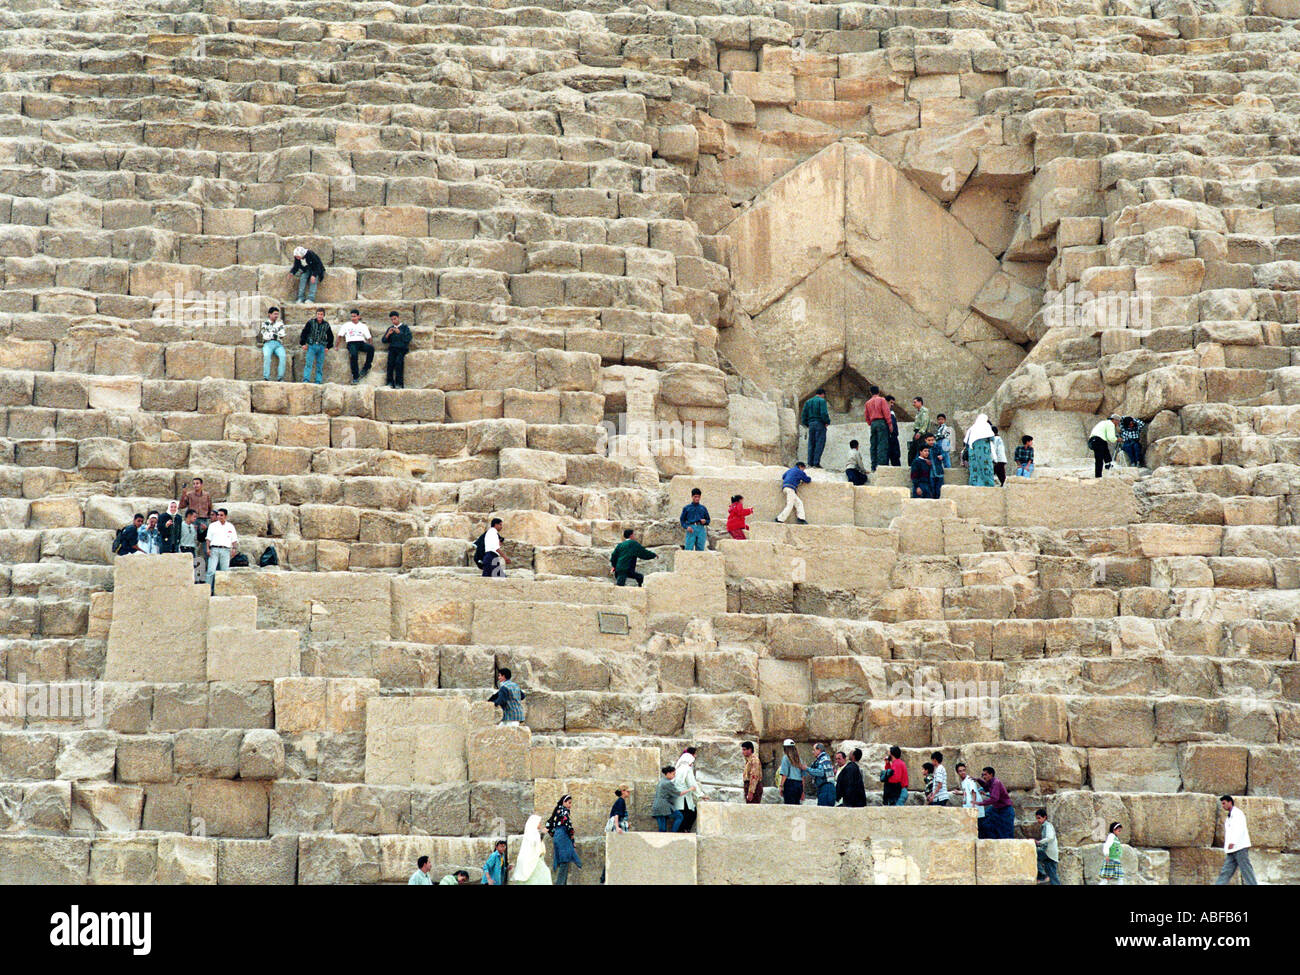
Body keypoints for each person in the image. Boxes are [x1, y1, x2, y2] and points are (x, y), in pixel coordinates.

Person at [1215, 795, 1257, 885]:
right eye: (1222, 804)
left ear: (1230, 802)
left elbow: (1240, 828)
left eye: (1224, 803)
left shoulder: (1238, 814)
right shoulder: (1229, 816)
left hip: (1239, 847)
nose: (1223, 806)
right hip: (1232, 849)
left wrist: (1233, 842)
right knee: (1226, 871)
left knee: (1246, 870)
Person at [545, 794, 582, 885]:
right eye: (569, 803)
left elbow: (548, 824)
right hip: (563, 837)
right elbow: (568, 825)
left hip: (558, 837)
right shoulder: (565, 811)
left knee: (563, 861)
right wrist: (572, 838)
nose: (570, 805)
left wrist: (553, 834)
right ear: (564, 802)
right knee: (565, 860)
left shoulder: (557, 811)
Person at [511, 816, 552, 885]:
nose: (540, 824)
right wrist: (542, 834)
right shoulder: (532, 833)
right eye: (539, 823)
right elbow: (535, 844)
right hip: (532, 860)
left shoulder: (533, 833)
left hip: (535, 860)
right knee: (544, 874)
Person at [205, 508, 238, 594]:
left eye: (221, 515)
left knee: (224, 571)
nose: (219, 517)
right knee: (211, 571)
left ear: (226, 516)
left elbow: (234, 539)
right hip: (214, 549)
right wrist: (208, 549)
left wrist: (234, 549)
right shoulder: (213, 525)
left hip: (226, 550)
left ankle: (223, 591)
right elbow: (208, 538)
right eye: (218, 515)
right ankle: (208, 591)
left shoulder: (230, 526)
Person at [977, 767, 1014, 838]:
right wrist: (978, 780)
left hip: (1005, 810)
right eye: (983, 775)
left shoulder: (995, 783)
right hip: (996, 809)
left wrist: (980, 803)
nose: (984, 777)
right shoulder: (991, 783)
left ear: (991, 774)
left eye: (985, 775)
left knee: (1005, 833)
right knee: (986, 823)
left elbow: (994, 798)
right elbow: (986, 787)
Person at [298, 308, 333, 384]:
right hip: (311, 345)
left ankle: (318, 381)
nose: (319, 316)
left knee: (319, 365)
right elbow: (304, 332)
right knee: (308, 364)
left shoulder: (326, 325)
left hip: (321, 346)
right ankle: (306, 379)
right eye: (318, 314)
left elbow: (330, 336)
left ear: (323, 315)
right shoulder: (311, 322)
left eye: (321, 314)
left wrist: (328, 347)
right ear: (316, 314)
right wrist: (303, 343)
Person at [340, 308, 374, 384]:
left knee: (371, 349)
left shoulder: (363, 326)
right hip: (351, 343)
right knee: (354, 355)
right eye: (352, 316)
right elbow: (340, 335)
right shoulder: (346, 325)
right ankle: (355, 377)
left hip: (361, 342)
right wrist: (336, 346)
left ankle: (366, 367)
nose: (353, 318)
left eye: (354, 316)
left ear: (358, 316)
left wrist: (370, 344)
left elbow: (369, 337)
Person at [863, 385, 892, 471]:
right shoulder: (882, 400)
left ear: (870, 392)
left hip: (873, 423)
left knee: (873, 445)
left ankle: (873, 466)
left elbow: (866, 416)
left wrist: (871, 423)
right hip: (881, 422)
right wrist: (889, 424)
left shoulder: (867, 403)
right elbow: (886, 412)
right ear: (878, 392)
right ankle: (881, 465)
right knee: (882, 444)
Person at [179, 476, 212, 551]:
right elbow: (181, 506)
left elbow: (210, 507)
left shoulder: (207, 495)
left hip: (204, 520)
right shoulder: (189, 495)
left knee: (205, 540)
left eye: (197, 483)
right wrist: (183, 494)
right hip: (193, 520)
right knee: (192, 539)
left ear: (201, 484)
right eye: (194, 484)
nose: (195, 485)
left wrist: (209, 518)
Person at [964, 413, 998, 487]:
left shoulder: (971, 428)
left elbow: (966, 441)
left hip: (973, 454)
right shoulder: (986, 426)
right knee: (986, 468)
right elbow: (992, 438)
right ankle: (988, 485)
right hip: (984, 453)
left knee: (975, 469)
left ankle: (975, 484)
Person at [381, 310, 411, 389]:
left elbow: (408, 339)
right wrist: (388, 334)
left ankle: (399, 383)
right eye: (392, 319)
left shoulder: (405, 327)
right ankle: (390, 382)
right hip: (392, 349)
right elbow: (384, 340)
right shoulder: (390, 328)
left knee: (399, 363)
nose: (394, 321)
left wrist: (400, 333)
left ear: (398, 318)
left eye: (395, 319)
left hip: (402, 349)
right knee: (390, 364)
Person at [674, 747, 701, 832]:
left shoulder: (678, 769)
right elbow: (692, 783)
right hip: (684, 797)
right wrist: (701, 794)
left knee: (681, 815)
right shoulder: (687, 769)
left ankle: (681, 831)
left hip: (678, 797)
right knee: (691, 814)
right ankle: (684, 830)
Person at [800, 388, 830, 468]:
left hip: (811, 424)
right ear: (823, 394)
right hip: (819, 424)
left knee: (811, 444)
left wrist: (807, 424)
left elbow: (803, 415)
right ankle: (816, 463)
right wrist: (827, 422)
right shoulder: (822, 401)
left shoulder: (808, 402)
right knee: (819, 443)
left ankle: (810, 462)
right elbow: (823, 413)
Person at [957, 762, 988, 837]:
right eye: (960, 771)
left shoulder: (969, 780)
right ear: (957, 772)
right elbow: (967, 792)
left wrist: (973, 805)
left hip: (974, 808)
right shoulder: (963, 781)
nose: (962, 772)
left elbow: (973, 791)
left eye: (963, 770)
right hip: (969, 807)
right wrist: (959, 792)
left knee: (979, 828)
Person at [258, 306, 287, 381]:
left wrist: (272, 334)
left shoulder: (280, 323)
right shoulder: (265, 324)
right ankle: (266, 377)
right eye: (275, 314)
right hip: (268, 343)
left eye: (277, 314)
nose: (276, 316)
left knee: (283, 356)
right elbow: (265, 335)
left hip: (278, 344)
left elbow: (282, 334)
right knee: (267, 356)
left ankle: (280, 377)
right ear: (269, 314)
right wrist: (275, 334)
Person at [652, 766, 682, 832]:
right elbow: (678, 793)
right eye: (673, 774)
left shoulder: (661, 781)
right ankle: (673, 833)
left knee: (662, 828)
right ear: (668, 773)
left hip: (657, 806)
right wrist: (690, 789)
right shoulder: (668, 783)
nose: (674, 776)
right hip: (663, 806)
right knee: (679, 816)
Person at [1035, 809, 1060, 885]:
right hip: (1049, 854)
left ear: (1044, 817)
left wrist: (1039, 842)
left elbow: (1050, 837)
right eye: (1037, 818)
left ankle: (1043, 875)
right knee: (1053, 877)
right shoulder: (1044, 826)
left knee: (1034, 855)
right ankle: (1043, 875)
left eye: (1039, 818)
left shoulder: (1048, 826)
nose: (1038, 820)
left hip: (1049, 853)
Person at [777, 739, 805, 805]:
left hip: (790, 784)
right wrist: (802, 791)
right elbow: (803, 776)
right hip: (799, 785)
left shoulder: (786, 758)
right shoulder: (800, 759)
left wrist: (781, 786)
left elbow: (784, 774)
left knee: (789, 805)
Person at [808, 742, 836, 807]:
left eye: (814, 750)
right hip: (825, 788)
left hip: (826, 788)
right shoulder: (825, 758)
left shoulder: (824, 759)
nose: (813, 752)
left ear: (819, 750)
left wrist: (807, 769)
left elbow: (820, 772)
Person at [178, 509, 200, 582]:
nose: (195, 518)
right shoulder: (181, 525)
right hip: (183, 548)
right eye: (194, 516)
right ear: (189, 516)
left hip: (192, 549)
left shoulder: (193, 527)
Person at [908, 396, 932, 465]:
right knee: (913, 449)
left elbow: (925, 422)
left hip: (921, 433)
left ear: (920, 402)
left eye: (915, 402)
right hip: (917, 431)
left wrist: (920, 432)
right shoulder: (919, 412)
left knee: (919, 449)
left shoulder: (924, 411)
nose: (913, 404)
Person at [925, 434, 945, 499]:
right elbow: (918, 458)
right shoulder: (923, 448)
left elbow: (943, 454)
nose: (931, 442)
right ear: (925, 440)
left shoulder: (938, 447)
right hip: (929, 473)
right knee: (931, 491)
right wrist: (925, 460)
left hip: (938, 472)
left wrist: (942, 456)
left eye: (932, 440)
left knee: (939, 491)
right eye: (929, 440)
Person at [885, 396, 902, 466]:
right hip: (887, 438)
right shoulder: (883, 412)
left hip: (894, 438)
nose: (892, 405)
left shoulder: (892, 413)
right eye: (891, 402)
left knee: (896, 457)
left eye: (893, 403)